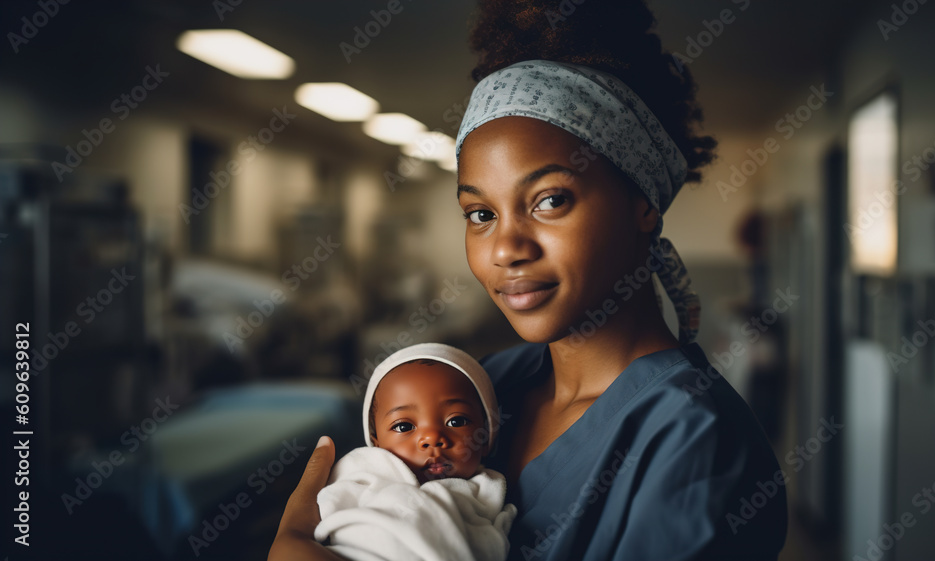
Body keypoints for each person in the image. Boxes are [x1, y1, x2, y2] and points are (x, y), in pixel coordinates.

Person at [270, 1, 787, 560]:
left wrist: (296, 549)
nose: (506, 250)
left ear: (642, 204)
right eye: (481, 214)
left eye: (550, 201)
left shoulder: (697, 444)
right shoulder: (488, 387)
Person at [312, 343, 516, 561]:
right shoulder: (361, 476)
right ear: (376, 444)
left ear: (485, 437)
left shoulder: (486, 495)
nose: (432, 438)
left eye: (456, 421)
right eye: (404, 427)